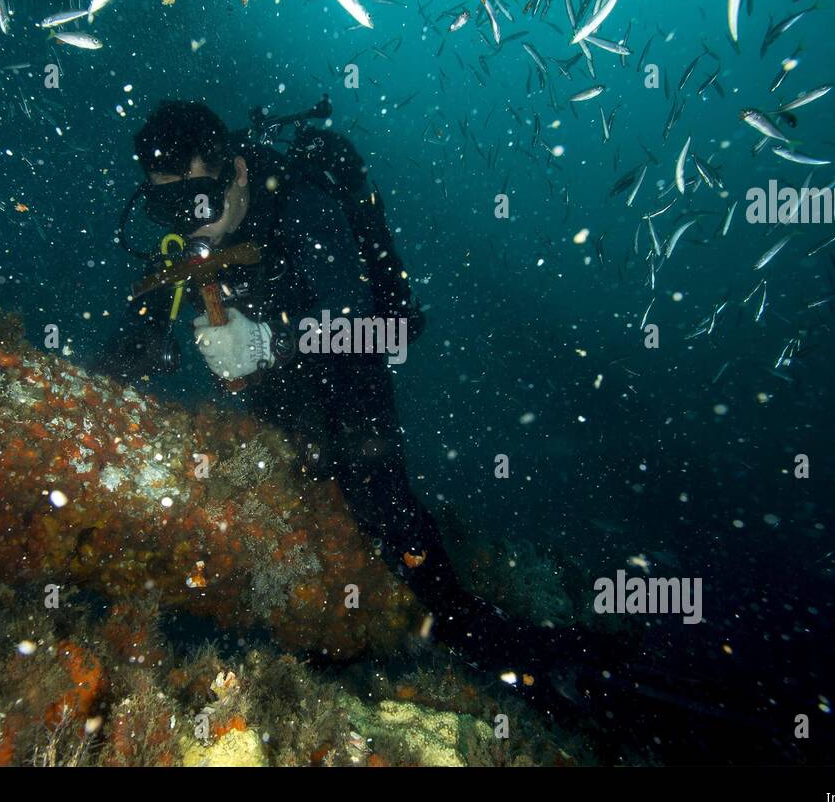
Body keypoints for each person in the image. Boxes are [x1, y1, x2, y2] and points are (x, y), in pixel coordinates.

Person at [95, 100, 608, 717]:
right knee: (295, 481)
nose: (191, 223)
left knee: (375, 495)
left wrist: (268, 341)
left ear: (234, 173)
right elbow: (131, 345)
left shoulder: (304, 208)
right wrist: (134, 354)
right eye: (166, 207)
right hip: (279, 384)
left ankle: (487, 641)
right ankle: (338, 634)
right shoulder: (187, 244)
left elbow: (382, 331)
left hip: (348, 356)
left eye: (198, 199)